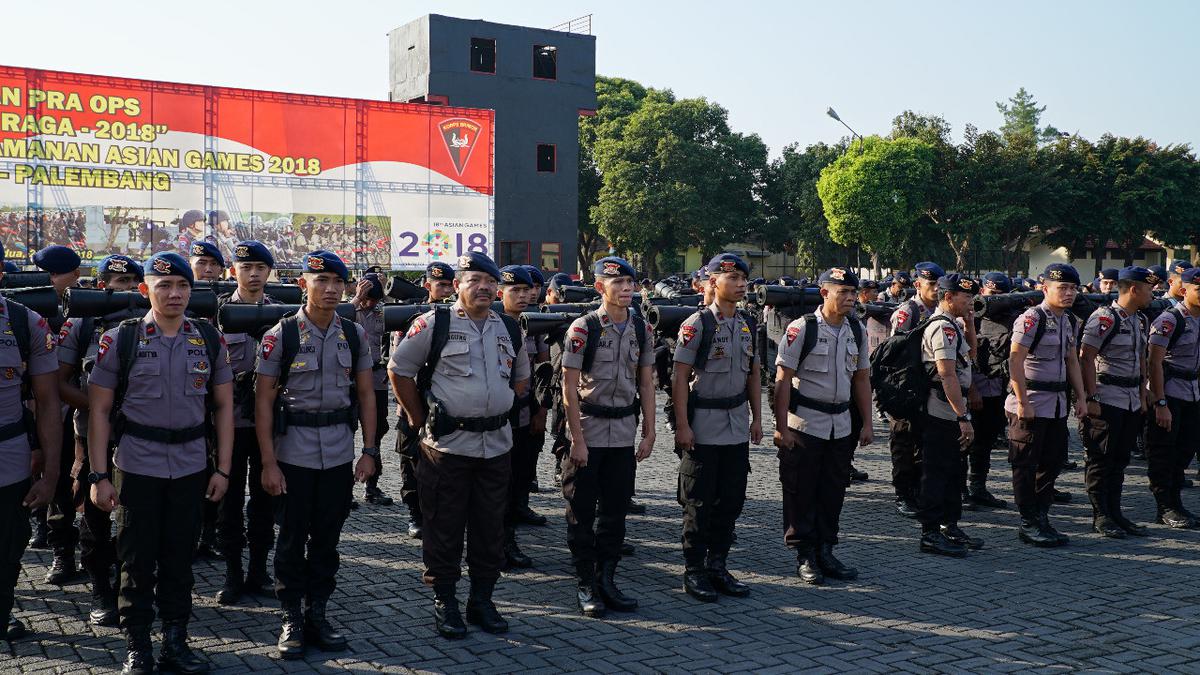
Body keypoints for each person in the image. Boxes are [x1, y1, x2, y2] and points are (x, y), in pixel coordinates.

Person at [87, 251, 234, 673]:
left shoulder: (209, 338)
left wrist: (223, 469)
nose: (174, 294)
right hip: (137, 466)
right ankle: (137, 645)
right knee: (135, 560)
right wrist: (99, 475)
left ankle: (175, 641)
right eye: (164, 285)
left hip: (190, 467)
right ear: (144, 289)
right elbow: (99, 411)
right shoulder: (122, 339)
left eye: (183, 286)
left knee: (179, 560)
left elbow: (224, 407)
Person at [389, 252, 528, 638]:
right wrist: (418, 418)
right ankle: (445, 601)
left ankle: (482, 600)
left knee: (490, 530)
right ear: (457, 285)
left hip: (496, 447)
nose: (483, 287)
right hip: (447, 450)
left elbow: (521, 377)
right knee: (443, 528)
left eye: (490, 281)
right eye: (474, 280)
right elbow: (399, 370)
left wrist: (497, 402)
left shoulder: (509, 327)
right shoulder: (435, 323)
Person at [255, 250, 377, 659]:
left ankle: (317, 613)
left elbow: (366, 395)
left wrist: (369, 451)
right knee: (291, 540)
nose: (330, 289)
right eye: (321, 280)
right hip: (293, 454)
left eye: (338, 282)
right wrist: (268, 463)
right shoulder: (282, 335)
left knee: (327, 539)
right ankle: (291, 616)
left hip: (339, 454)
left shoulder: (354, 334)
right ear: (302, 284)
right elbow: (263, 403)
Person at [559, 257, 655, 617]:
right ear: (601, 287)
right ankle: (586, 582)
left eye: (631, 283)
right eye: (619, 283)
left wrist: (649, 431)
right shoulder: (583, 328)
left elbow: (646, 383)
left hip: (622, 435)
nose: (627, 289)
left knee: (615, 514)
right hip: (589, 430)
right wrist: (577, 439)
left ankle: (607, 579)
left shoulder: (641, 328)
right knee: (581, 513)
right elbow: (568, 388)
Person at [56, 254, 142, 627]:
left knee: (136, 517)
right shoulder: (82, 321)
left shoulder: (153, 321)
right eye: (117, 282)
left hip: (141, 437)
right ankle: (100, 589)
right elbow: (59, 381)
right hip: (94, 435)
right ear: (101, 285)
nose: (125, 289)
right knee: (95, 516)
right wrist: (99, 407)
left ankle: (130, 587)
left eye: (131, 282)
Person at [672, 253, 761, 602]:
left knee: (731, 500)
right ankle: (694, 570)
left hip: (736, 424)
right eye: (733, 278)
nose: (741, 285)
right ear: (713, 282)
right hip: (704, 425)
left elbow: (753, 374)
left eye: (743, 279)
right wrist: (682, 425)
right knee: (699, 501)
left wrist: (757, 417)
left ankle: (718, 565)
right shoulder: (697, 324)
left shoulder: (747, 322)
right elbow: (679, 378)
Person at [773, 266, 871, 584]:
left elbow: (862, 379)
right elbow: (782, 379)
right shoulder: (802, 328)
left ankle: (826, 550)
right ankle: (805, 555)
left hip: (841, 425)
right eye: (843, 292)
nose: (851, 298)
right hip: (805, 424)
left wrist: (867, 423)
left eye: (853, 292)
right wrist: (781, 426)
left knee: (833, 491)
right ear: (824, 293)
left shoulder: (857, 330)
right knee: (801, 491)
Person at [0, 242, 64, 642]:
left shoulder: (26, 323)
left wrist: (52, 472)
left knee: (8, 545)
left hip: (9, 459)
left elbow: (48, 402)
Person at [214, 241, 279, 605]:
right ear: (233, 271)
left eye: (260, 267)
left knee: (266, 500)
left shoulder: (283, 314)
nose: (253, 274)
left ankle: (258, 570)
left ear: (269, 272)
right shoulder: (217, 314)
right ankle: (232, 573)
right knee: (229, 502)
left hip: (269, 425)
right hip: (230, 425)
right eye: (246, 267)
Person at [1006, 263, 1087, 547]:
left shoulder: (1070, 320)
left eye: (1073, 288)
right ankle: (1028, 521)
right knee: (1025, 464)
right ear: (1045, 289)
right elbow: (1015, 360)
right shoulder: (1031, 318)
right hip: (1031, 402)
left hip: (1056, 405)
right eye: (1062, 288)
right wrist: (1022, 402)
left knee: (1052, 462)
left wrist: (1081, 397)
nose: (1069, 293)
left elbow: (1072, 360)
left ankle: (1041, 515)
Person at [1079, 266, 1154, 538]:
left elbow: (1142, 358)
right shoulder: (1104, 318)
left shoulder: (1140, 319)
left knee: (1121, 459)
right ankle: (1100, 514)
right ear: (1134, 289)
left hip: (1131, 399)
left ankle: (1115, 512)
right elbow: (1086, 357)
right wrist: (1090, 397)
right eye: (1149, 290)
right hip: (1107, 397)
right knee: (1101, 459)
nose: (1152, 295)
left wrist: (1143, 395)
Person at [917, 274, 984, 557]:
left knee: (955, 472)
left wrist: (969, 324)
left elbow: (971, 358)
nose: (971, 303)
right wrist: (962, 417)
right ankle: (930, 533)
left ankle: (949, 525)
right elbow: (946, 374)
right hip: (941, 412)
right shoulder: (941, 327)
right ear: (948, 297)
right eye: (966, 298)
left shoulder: (954, 325)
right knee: (937, 472)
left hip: (952, 410)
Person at [394, 261, 456, 540]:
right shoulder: (411, 314)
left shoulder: (459, 315)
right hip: (412, 399)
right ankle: (414, 513)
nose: (445, 290)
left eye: (449, 285)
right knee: (410, 459)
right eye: (439, 285)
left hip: (444, 401)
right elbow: (399, 362)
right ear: (427, 285)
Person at [33, 244, 83, 586]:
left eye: (53, 274)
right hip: (41, 408)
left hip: (76, 410)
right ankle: (59, 547)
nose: (47, 280)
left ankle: (84, 550)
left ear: (75, 275)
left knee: (78, 483)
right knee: (51, 479)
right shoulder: (30, 309)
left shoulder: (84, 310)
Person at [888, 262, 944, 518]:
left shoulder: (939, 312)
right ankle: (903, 494)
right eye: (931, 284)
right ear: (918, 284)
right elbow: (895, 350)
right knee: (903, 441)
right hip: (906, 386)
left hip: (928, 387)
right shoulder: (908, 311)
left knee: (924, 442)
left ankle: (919, 490)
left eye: (939, 284)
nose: (936, 289)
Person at [1146, 266, 1200, 528]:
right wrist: (1160, 403)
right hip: (1169, 392)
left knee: (1185, 450)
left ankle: (1176, 503)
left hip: (1193, 392)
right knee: (1163, 452)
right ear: (1184, 290)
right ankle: (1164, 507)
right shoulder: (1169, 320)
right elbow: (1154, 363)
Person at [496, 265, 541, 569]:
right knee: (498, 485)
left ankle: (507, 539)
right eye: (516, 290)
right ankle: (498, 544)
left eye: (527, 290)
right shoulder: (492, 324)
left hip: (521, 415)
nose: (524, 295)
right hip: (497, 418)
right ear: (501, 293)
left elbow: (533, 376)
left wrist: (537, 410)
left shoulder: (525, 325)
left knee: (516, 481)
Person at [963, 273, 1010, 510]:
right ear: (982, 292)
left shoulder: (1011, 319)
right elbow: (964, 359)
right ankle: (960, 490)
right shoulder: (969, 318)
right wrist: (972, 390)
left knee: (985, 442)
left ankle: (978, 487)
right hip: (972, 391)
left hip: (997, 390)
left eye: (1000, 296)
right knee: (964, 443)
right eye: (991, 294)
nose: (995, 300)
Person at [351, 272, 395, 507]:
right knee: (345, 433)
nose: (370, 303)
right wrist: (358, 298)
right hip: (350, 382)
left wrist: (384, 293)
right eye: (368, 298)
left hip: (377, 381)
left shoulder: (382, 311)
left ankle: (372, 487)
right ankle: (344, 488)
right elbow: (336, 316)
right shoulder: (350, 309)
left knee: (376, 433)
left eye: (374, 299)